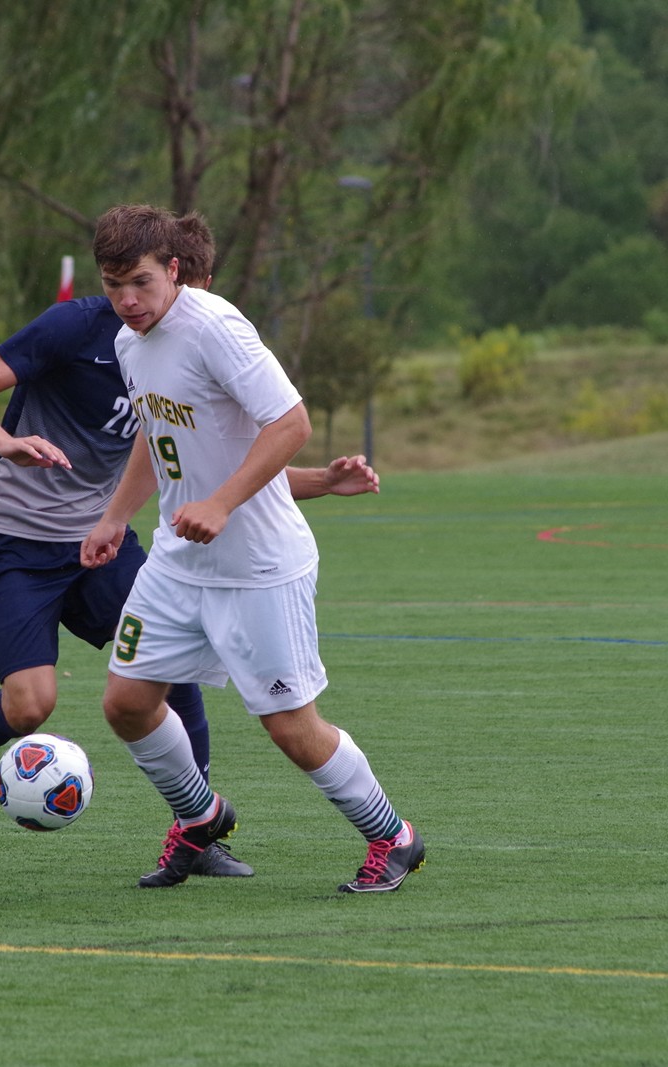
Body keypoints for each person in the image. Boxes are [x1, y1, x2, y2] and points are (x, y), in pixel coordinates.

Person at [0, 208, 378, 880]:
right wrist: (5, 442)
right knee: (30, 705)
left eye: (166, 289)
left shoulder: (192, 338)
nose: (141, 303)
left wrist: (317, 483)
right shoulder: (80, 329)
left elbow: (202, 462)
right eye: (120, 286)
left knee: (162, 673)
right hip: (18, 538)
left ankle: (197, 827)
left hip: (102, 536)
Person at [81, 203, 422, 892]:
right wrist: (116, 516)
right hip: (180, 561)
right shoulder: (128, 342)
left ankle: (394, 835)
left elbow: (289, 421)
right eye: (114, 285)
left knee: (291, 728)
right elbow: (158, 436)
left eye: (141, 282)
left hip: (259, 567)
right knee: (126, 701)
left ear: (174, 269)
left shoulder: (215, 327)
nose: (127, 300)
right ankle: (200, 816)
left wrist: (223, 502)